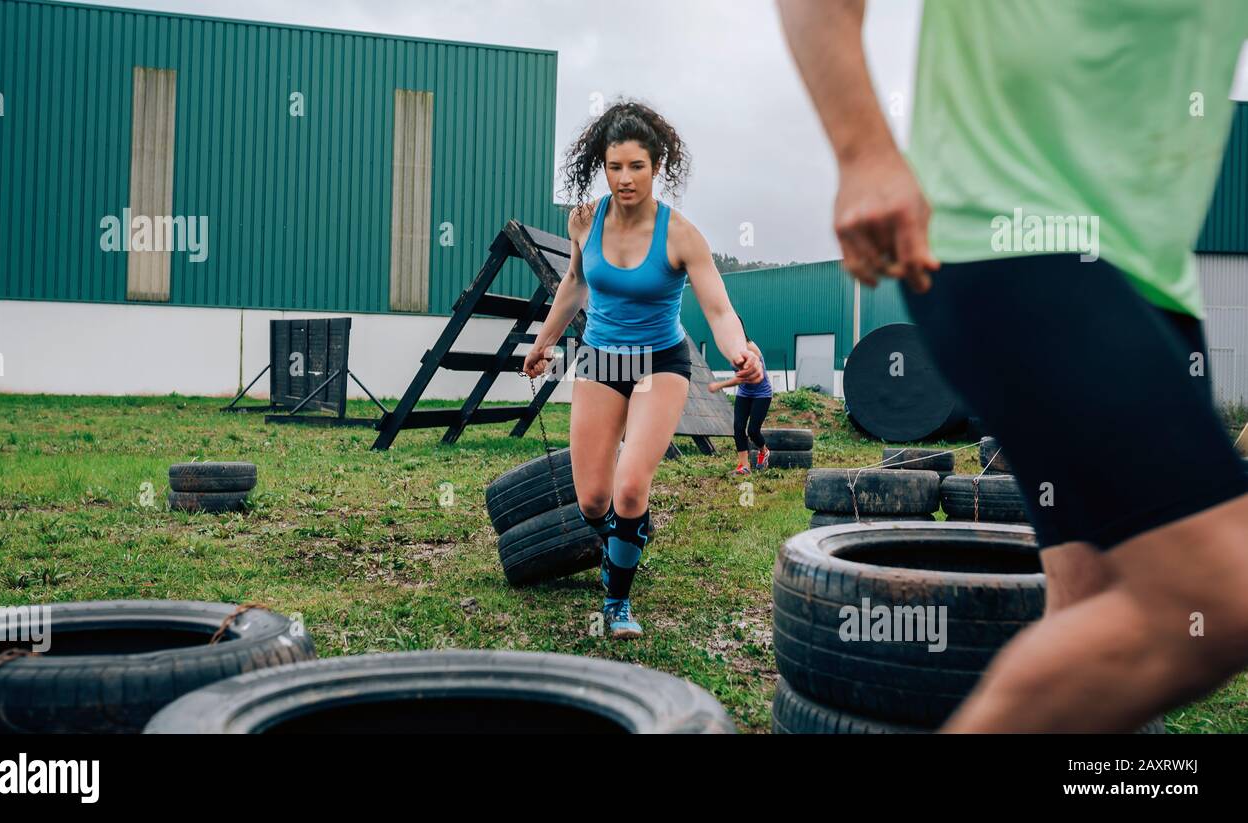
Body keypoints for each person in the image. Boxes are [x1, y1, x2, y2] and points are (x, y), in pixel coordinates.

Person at [778, 0, 1248, 731]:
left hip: (1154, 281)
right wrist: (863, 152)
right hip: (1010, 233)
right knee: (1217, 598)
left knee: (1093, 613)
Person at [522, 100, 761, 639]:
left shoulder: (681, 236)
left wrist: (740, 349)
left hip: (660, 362)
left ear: (658, 166)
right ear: (600, 166)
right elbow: (575, 285)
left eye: (637, 166)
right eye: (615, 166)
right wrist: (544, 342)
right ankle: (629, 535)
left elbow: (718, 309)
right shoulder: (584, 219)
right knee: (593, 500)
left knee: (631, 488)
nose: (625, 178)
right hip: (601, 359)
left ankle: (617, 603)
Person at [709, 332, 773, 475]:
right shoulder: (732, 348)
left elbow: (743, 377)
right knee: (738, 427)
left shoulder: (750, 348)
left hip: (762, 394)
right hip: (744, 393)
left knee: (753, 431)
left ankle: (764, 451)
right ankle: (744, 466)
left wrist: (719, 385)